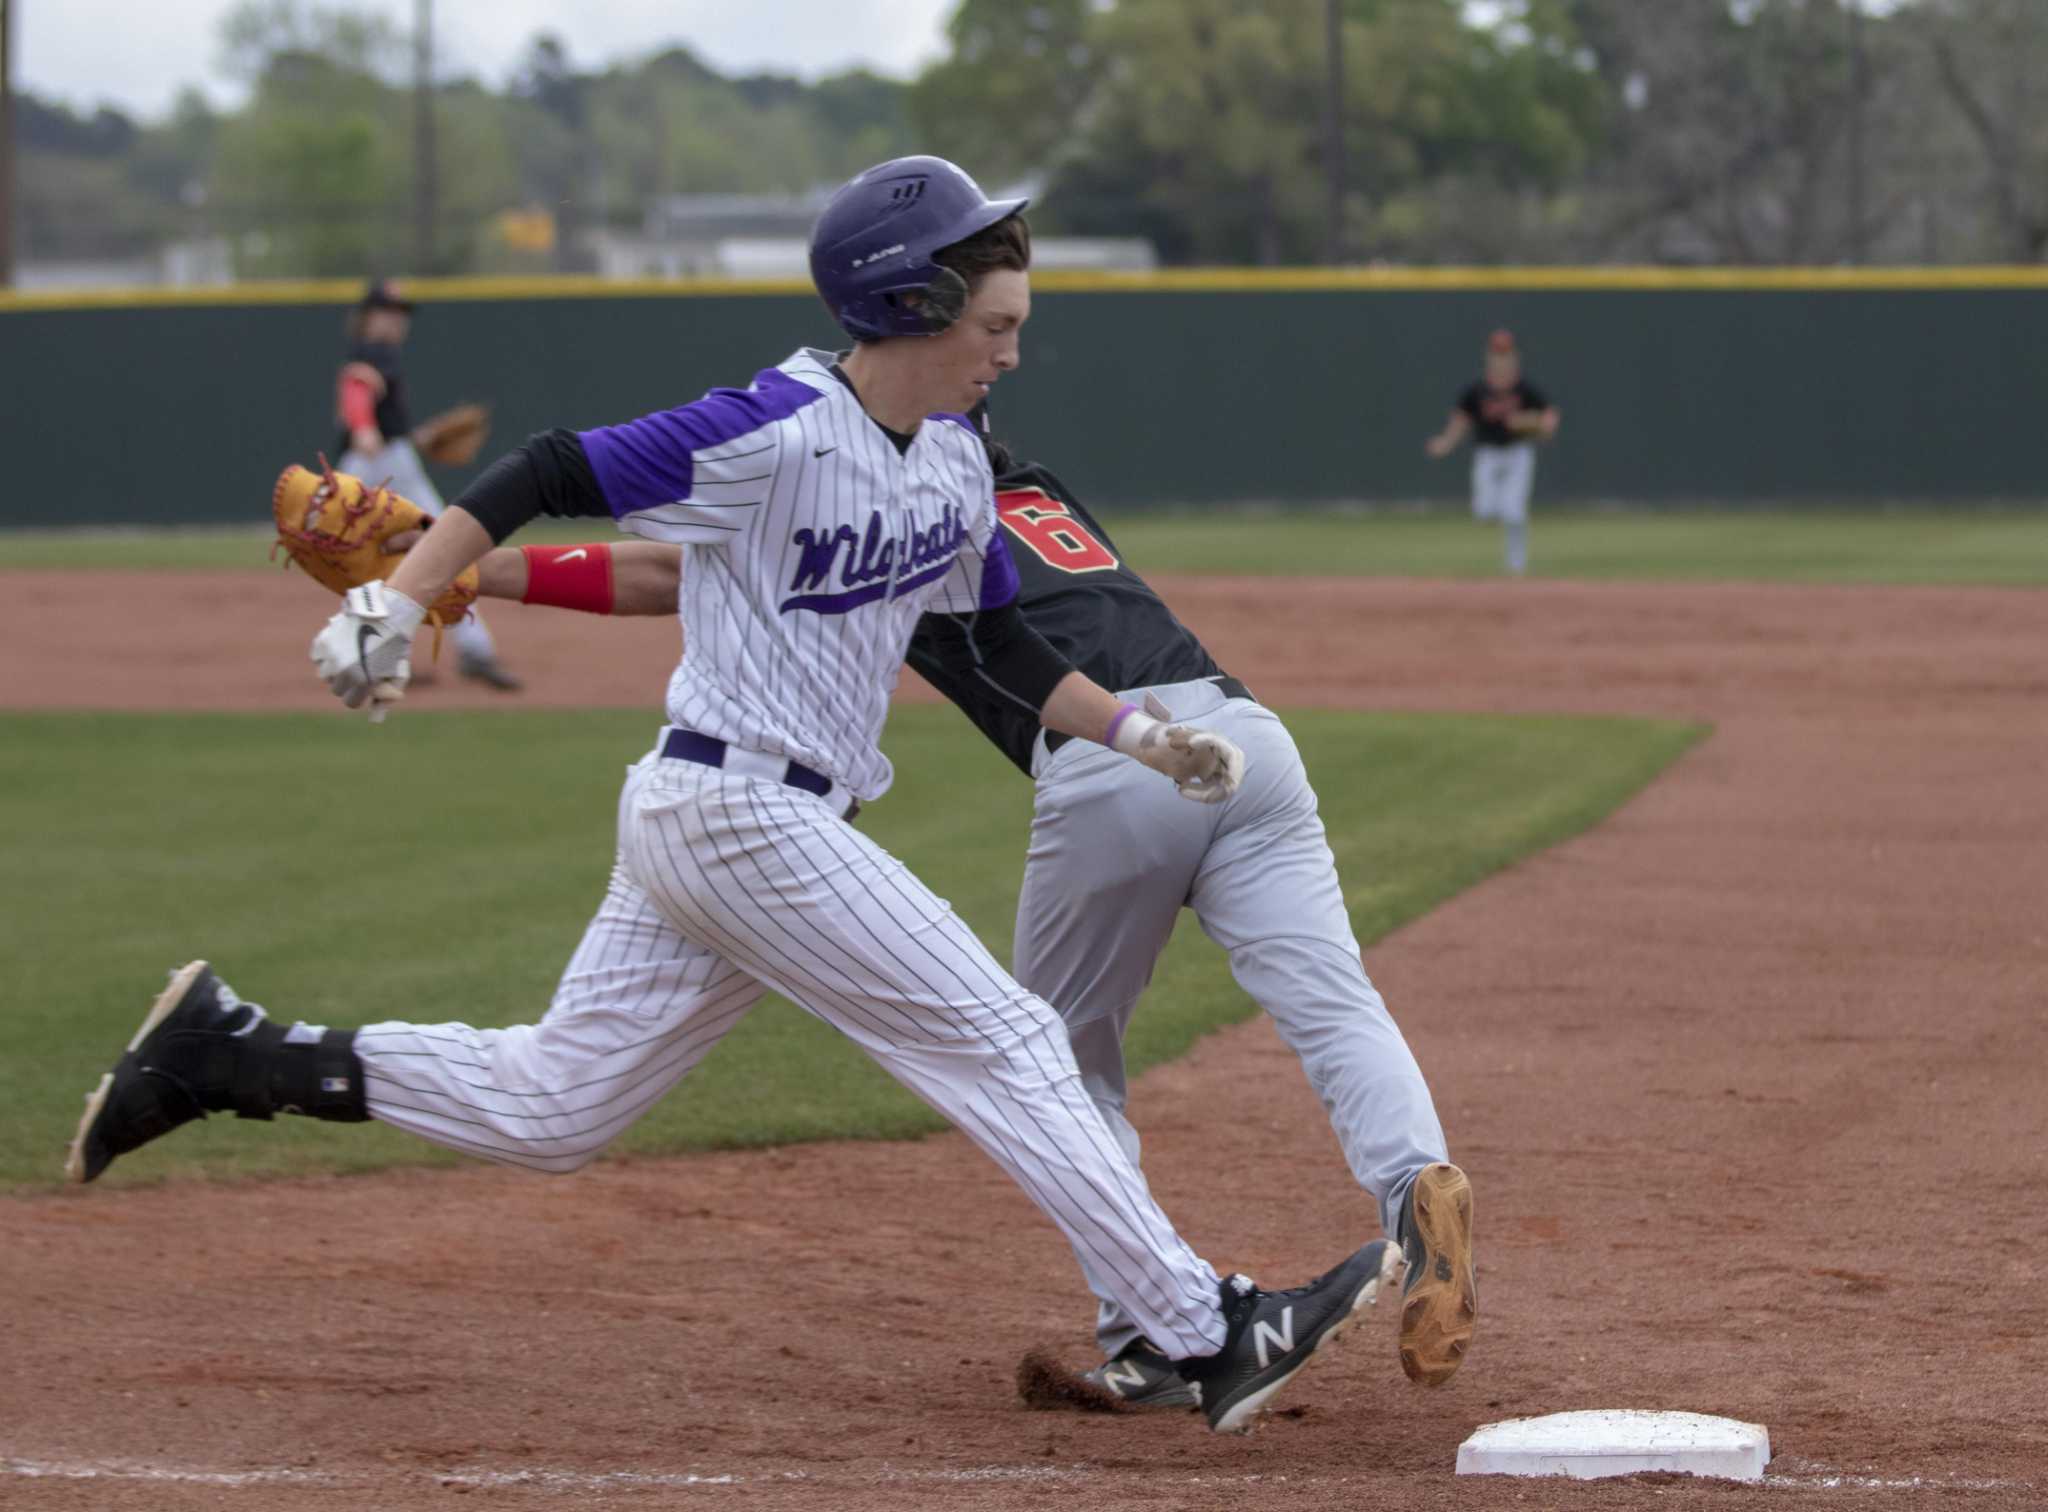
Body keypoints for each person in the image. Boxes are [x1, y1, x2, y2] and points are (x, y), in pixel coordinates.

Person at [66, 157, 1399, 1436]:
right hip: (739, 812)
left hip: (736, 831)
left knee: (554, 1107)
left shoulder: (949, 462)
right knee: (1010, 1040)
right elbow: (544, 471)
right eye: (992, 323)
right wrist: (401, 594)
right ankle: (1203, 1331)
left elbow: (999, 645)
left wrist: (1142, 736)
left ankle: (225, 1052)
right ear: (913, 304)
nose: (1007, 350)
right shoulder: (769, 429)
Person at [446, 406, 1480, 1402]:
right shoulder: (1024, 483)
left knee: (1055, 1066)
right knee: (1333, 1002)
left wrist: (481, 567)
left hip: (1110, 757)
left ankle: (1152, 1337)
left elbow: (675, 571)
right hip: (1246, 736)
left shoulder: (901, 501)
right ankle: (1414, 1183)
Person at [335, 278, 522, 690]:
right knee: (449, 544)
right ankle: (467, 650)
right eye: (388, 312)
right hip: (377, 463)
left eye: (401, 313)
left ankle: (374, 655)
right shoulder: (372, 352)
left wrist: (411, 436)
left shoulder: (381, 354)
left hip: (382, 460)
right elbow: (356, 389)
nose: (397, 320)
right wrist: (365, 428)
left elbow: (375, 410)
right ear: (368, 316)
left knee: (374, 558)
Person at [1423, 328, 1561, 576]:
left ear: (1514, 357)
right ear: (1489, 357)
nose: (1502, 358)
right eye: (1498, 353)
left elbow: (1549, 416)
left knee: (1514, 511)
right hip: (1487, 454)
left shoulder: (1525, 389)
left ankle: (1516, 566)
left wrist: (1538, 425)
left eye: (1506, 353)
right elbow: (1460, 420)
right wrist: (1444, 443)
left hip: (1518, 453)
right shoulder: (1476, 391)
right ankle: (1503, 529)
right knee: (1484, 511)